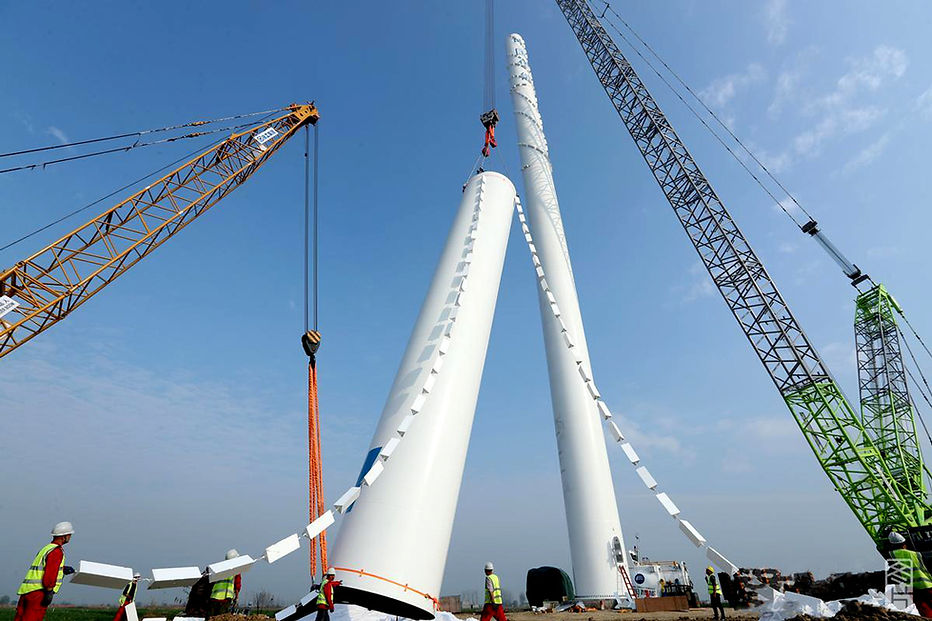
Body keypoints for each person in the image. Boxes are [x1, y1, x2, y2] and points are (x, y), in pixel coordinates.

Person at [14, 522, 76, 621]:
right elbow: (49, 576)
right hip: (39, 594)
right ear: (64, 536)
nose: (70, 537)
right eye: (70, 535)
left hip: (27, 591)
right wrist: (49, 592)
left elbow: (43, 567)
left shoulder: (46, 548)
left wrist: (62, 569)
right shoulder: (57, 551)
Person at [889, 532, 932, 617]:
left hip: (913, 588)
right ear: (904, 544)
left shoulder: (892, 556)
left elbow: (893, 574)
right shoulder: (916, 554)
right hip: (927, 585)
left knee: (925, 611)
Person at [209, 549, 243, 616]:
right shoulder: (236, 570)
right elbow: (237, 585)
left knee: (212, 618)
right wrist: (236, 597)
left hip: (213, 598)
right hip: (225, 599)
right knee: (222, 617)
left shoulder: (219, 568)